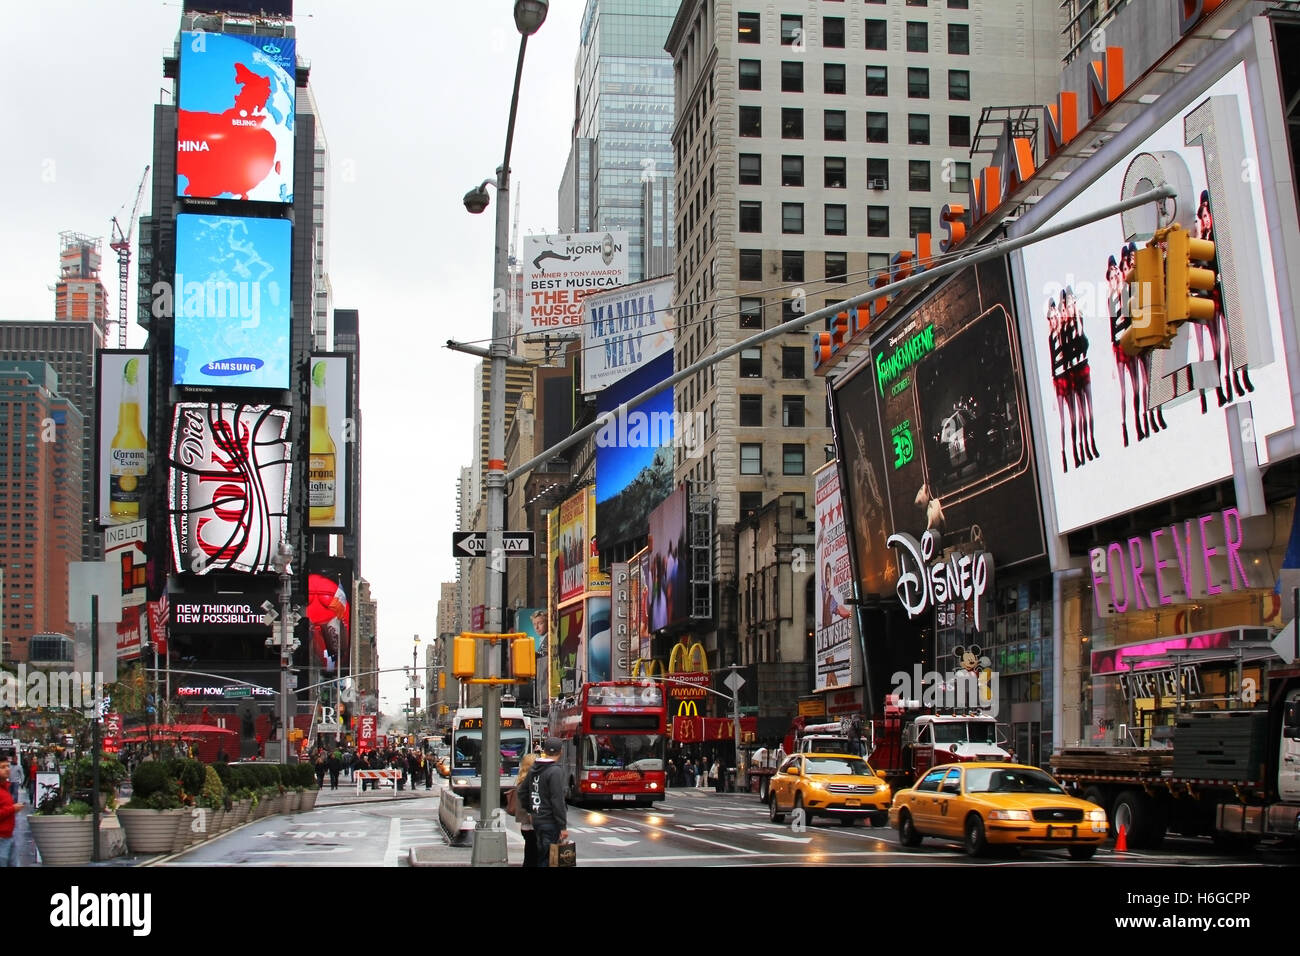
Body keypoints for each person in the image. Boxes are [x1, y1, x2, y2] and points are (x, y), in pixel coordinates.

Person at [527, 737, 568, 867]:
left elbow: (522, 792)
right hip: (550, 822)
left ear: (544, 751)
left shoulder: (534, 768)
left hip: (537, 820)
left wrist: (532, 811)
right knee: (549, 859)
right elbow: (557, 800)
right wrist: (562, 826)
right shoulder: (555, 771)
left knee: (543, 856)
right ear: (560, 752)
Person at [513, 752, 539, 867]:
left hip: (526, 825)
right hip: (532, 824)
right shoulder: (531, 782)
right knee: (533, 856)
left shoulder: (521, 781)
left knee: (530, 853)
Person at [0, 760, 23, 867]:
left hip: (8, 837)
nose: (7, 769)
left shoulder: (5, 789)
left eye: (8, 766)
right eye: (3, 767)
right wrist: (12, 809)